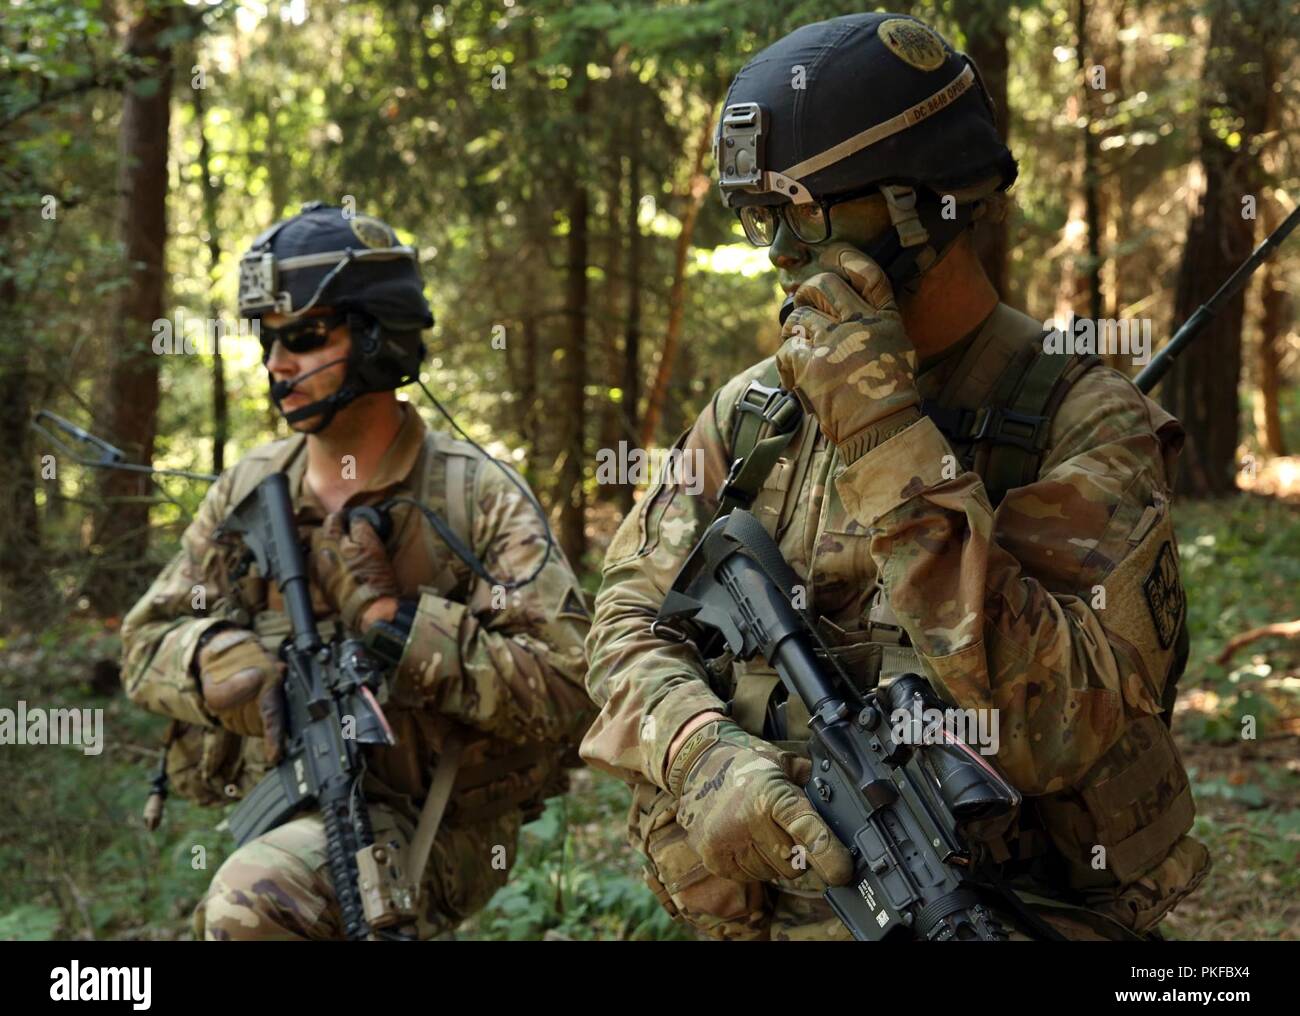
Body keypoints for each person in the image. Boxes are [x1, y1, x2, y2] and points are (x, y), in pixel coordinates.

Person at [581, 13, 1208, 941]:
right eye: (760, 217)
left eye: (806, 212)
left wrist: (886, 437)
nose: (780, 253)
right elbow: (625, 621)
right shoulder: (756, 413)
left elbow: (1064, 725)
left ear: (927, 205)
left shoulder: (1084, 419)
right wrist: (701, 753)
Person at [121, 202, 594, 940]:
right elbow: (145, 639)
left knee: (254, 902)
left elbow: (573, 685)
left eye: (305, 337)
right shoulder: (250, 489)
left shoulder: (474, 495)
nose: (277, 364)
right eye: (268, 338)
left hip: (438, 823)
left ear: (378, 336)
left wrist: (396, 626)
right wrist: (210, 658)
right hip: (285, 804)